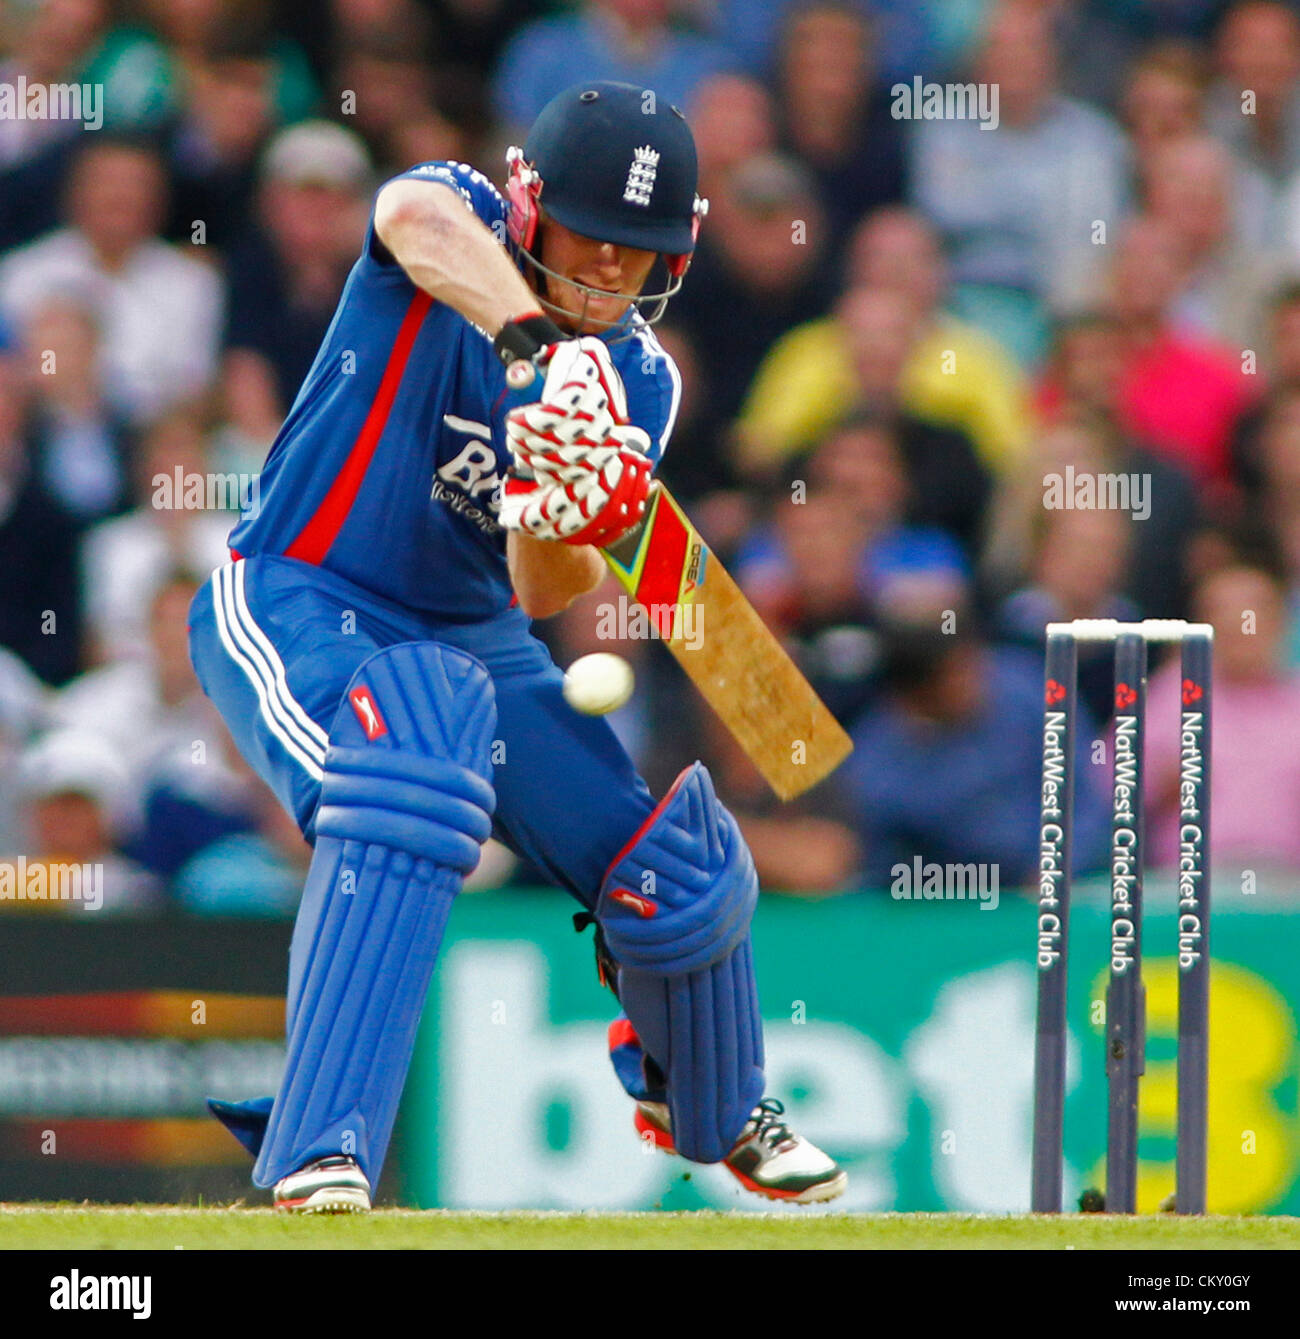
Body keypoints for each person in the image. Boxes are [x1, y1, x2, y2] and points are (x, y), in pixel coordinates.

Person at [188, 81, 846, 1212]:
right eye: (587, 242)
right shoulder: (457, 222)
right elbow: (410, 218)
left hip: (479, 634)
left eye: (635, 258)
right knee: (415, 754)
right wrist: (539, 348)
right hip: (297, 591)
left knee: (671, 864)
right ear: (530, 208)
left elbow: (548, 590)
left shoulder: (644, 377)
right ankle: (318, 1148)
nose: (605, 279)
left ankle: (712, 1098)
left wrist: (559, 494)